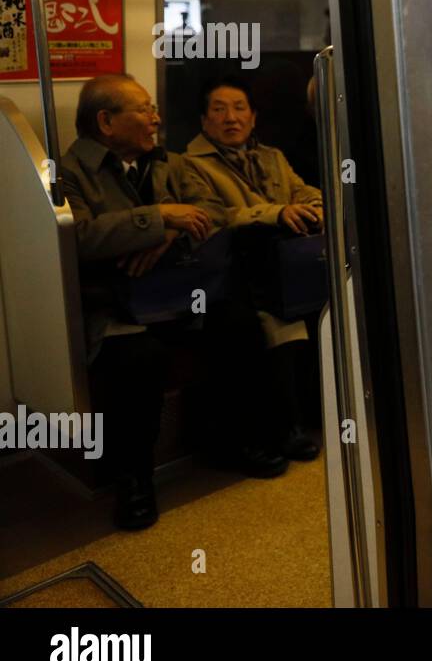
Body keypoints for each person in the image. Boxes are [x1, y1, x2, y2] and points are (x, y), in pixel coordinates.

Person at [61, 74, 284, 531]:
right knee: (136, 360)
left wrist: (167, 235)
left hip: (179, 292)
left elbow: (214, 211)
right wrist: (158, 217)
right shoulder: (68, 174)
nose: (156, 118)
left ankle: (234, 440)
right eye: (143, 110)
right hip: (118, 306)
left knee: (238, 323)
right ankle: (135, 480)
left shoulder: (169, 163)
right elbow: (79, 237)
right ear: (106, 121)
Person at [183, 76, 323, 461]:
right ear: (203, 120)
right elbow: (214, 217)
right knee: (279, 322)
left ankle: (312, 414)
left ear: (254, 116)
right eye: (219, 109)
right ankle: (287, 426)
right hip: (232, 273)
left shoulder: (271, 157)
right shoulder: (190, 165)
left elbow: (304, 191)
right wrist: (275, 213)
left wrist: (317, 209)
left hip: (283, 268)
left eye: (240, 108)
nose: (231, 118)